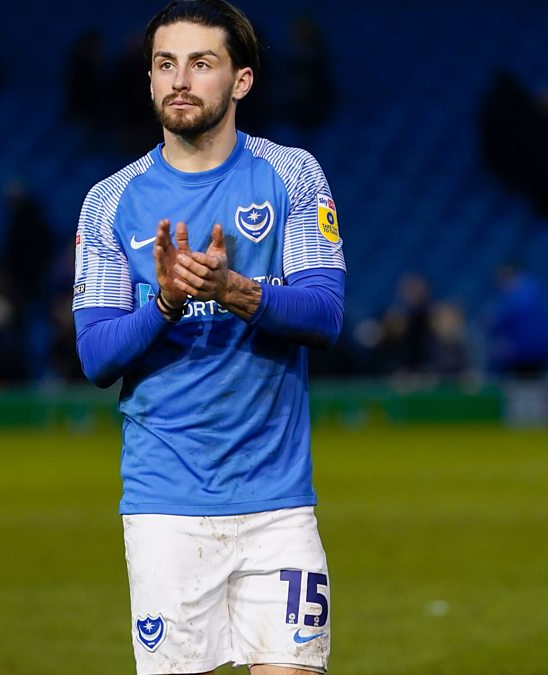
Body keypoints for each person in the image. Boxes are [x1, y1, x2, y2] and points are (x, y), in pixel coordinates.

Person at [71, 2, 345, 673]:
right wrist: (168, 302)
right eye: (165, 64)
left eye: (201, 62)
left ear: (241, 80)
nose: (180, 79)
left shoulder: (293, 175)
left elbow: (325, 315)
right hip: (166, 508)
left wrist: (234, 290)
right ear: (149, 79)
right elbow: (95, 356)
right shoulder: (109, 202)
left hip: (279, 505)